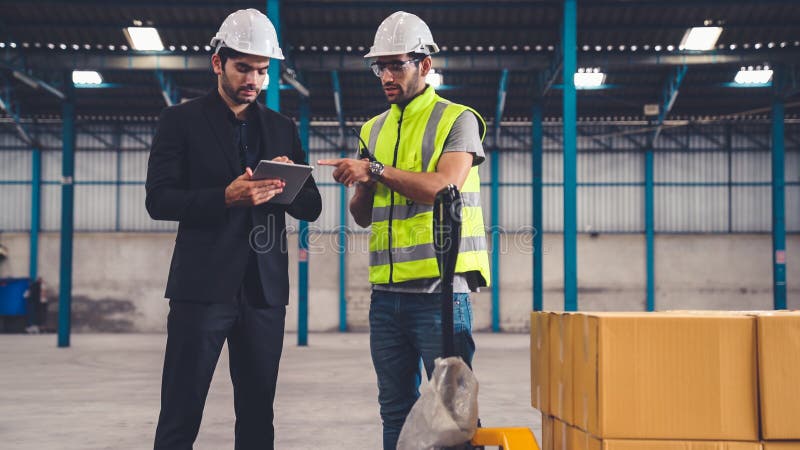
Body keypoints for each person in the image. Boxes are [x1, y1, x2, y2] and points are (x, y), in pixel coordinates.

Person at [145, 8, 321, 450]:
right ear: (218, 62)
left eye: (262, 71)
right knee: (181, 410)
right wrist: (226, 197)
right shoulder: (179, 122)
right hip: (201, 289)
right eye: (244, 67)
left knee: (259, 414)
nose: (254, 80)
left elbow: (312, 208)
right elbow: (159, 199)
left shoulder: (281, 129)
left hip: (264, 294)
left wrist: (289, 183)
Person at [318, 11, 491, 450]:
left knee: (450, 412)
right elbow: (362, 216)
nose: (387, 76)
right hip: (387, 297)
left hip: (441, 292)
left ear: (425, 65)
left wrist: (375, 168)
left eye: (397, 64)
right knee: (394, 408)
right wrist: (360, 184)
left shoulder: (457, 120)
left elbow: (444, 188)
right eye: (381, 66)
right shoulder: (372, 129)